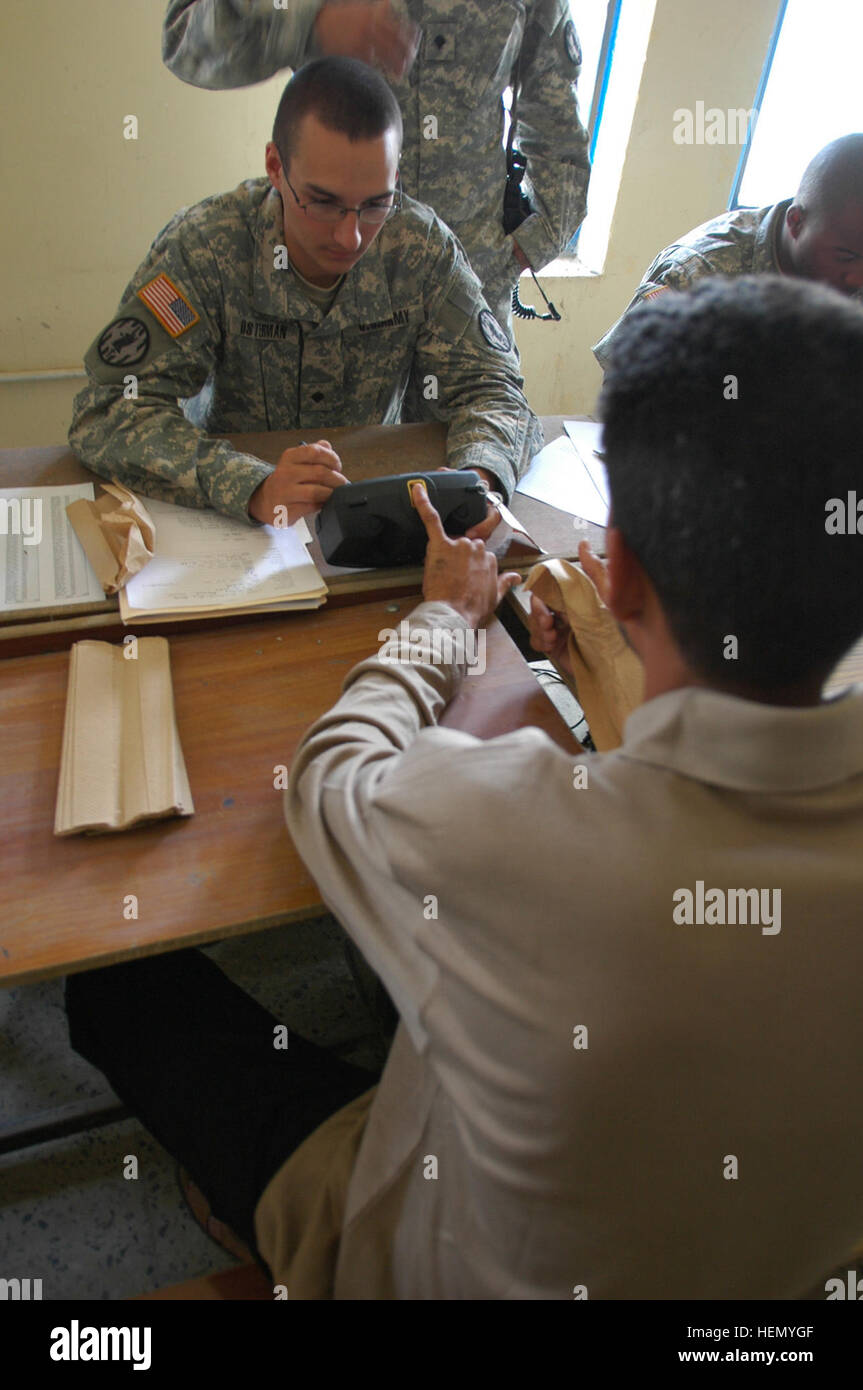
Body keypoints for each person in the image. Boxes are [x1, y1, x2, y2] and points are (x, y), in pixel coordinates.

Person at [67, 274, 863, 1298]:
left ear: (612, 572)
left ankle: (269, 1220)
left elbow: (329, 778)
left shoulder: (506, 833)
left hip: (426, 1259)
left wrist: (443, 620)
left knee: (122, 989)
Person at [69, 57, 542, 532]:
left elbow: (496, 390)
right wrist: (247, 484)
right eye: (323, 203)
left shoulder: (420, 247)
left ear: (395, 179)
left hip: (375, 513)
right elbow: (107, 409)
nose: (350, 237)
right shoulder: (206, 247)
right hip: (240, 528)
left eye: (375, 204)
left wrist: (478, 481)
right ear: (276, 167)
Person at [161, 0, 591, 331]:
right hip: (328, 291)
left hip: (466, 289)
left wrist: (529, 245)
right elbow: (186, 40)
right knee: (319, 448)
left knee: (486, 436)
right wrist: (308, 21)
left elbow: (555, 114)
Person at [594, 133, 863, 370]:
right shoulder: (697, 273)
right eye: (846, 257)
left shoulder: (843, 263)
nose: (857, 279)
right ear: (796, 222)